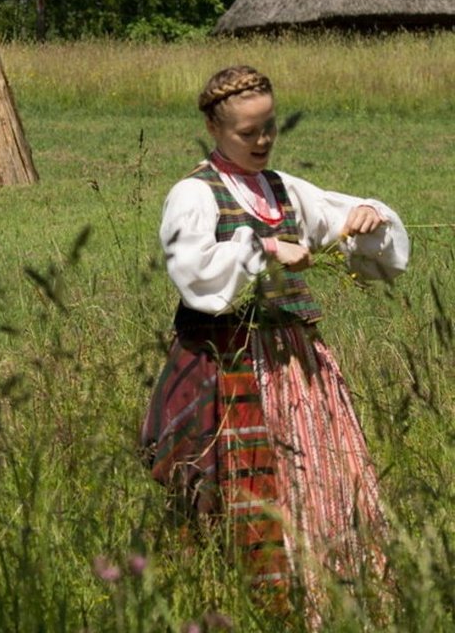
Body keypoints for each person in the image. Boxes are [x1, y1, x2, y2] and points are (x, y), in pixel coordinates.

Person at [141, 65, 409, 617]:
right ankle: (254, 606)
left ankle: (332, 601)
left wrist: (368, 217)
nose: (262, 140)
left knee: (320, 477)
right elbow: (193, 275)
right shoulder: (193, 194)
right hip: (229, 364)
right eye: (248, 132)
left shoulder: (282, 187)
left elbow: (351, 228)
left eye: (269, 127)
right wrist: (263, 249)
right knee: (242, 490)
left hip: (298, 367)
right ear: (214, 129)